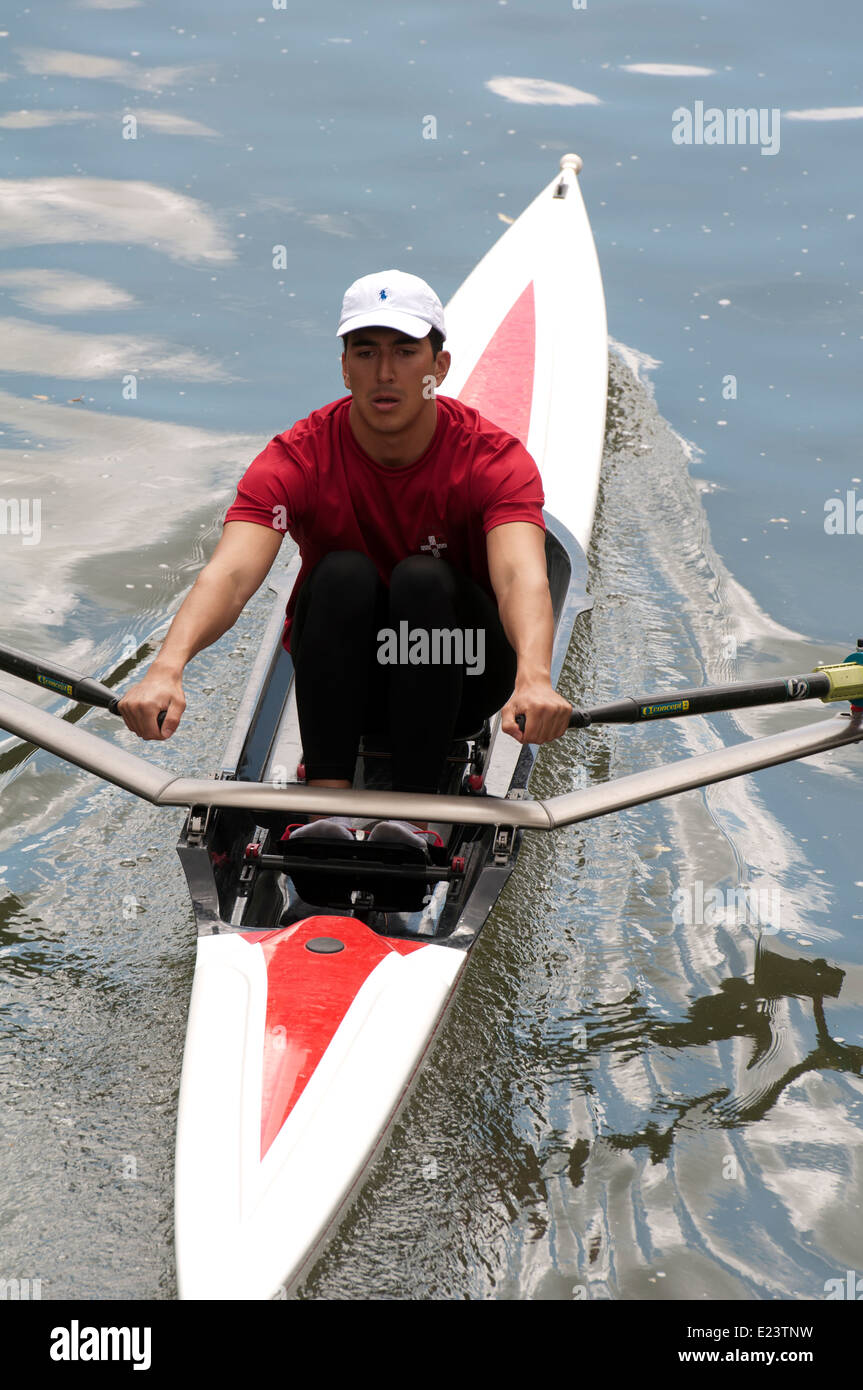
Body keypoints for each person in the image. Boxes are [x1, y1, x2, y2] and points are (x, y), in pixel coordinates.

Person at [117, 269, 572, 849]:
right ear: (344, 368)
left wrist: (534, 678)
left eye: (405, 352)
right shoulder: (298, 457)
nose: (385, 373)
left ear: (439, 367)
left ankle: (415, 815)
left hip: (463, 675)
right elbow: (230, 575)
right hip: (345, 679)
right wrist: (167, 667)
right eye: (366, 351)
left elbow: (519, 576)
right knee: (342, 574)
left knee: (422, 580)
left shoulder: (492, 460)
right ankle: (323, 811)